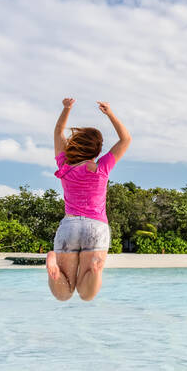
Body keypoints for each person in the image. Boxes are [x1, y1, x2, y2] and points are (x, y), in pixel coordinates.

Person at [46, 98, 130, 301]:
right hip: (96, 226)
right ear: (98, 150)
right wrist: (109, 113)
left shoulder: (65, 166)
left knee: (64, 293)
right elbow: (125, 139)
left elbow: (58, 132)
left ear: (75, 145)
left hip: (70, 226)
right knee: (86, 294)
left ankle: (54, 268)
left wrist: (66, 108)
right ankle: (94, 269)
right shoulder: (101, 168)